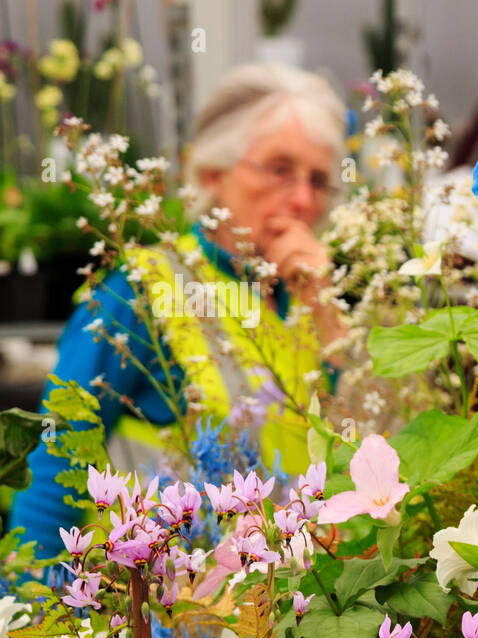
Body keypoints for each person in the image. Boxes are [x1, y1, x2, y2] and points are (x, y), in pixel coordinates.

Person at [9, 61, 350, 560]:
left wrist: (327, 313)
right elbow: (54, 458)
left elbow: (327, 445)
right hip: (162, 615)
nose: (302, 199)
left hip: (280, 613)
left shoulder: (304, 299)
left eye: (320, 181)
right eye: (279, 169)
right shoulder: (143, 288)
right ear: (213, 172)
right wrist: (33, 617)